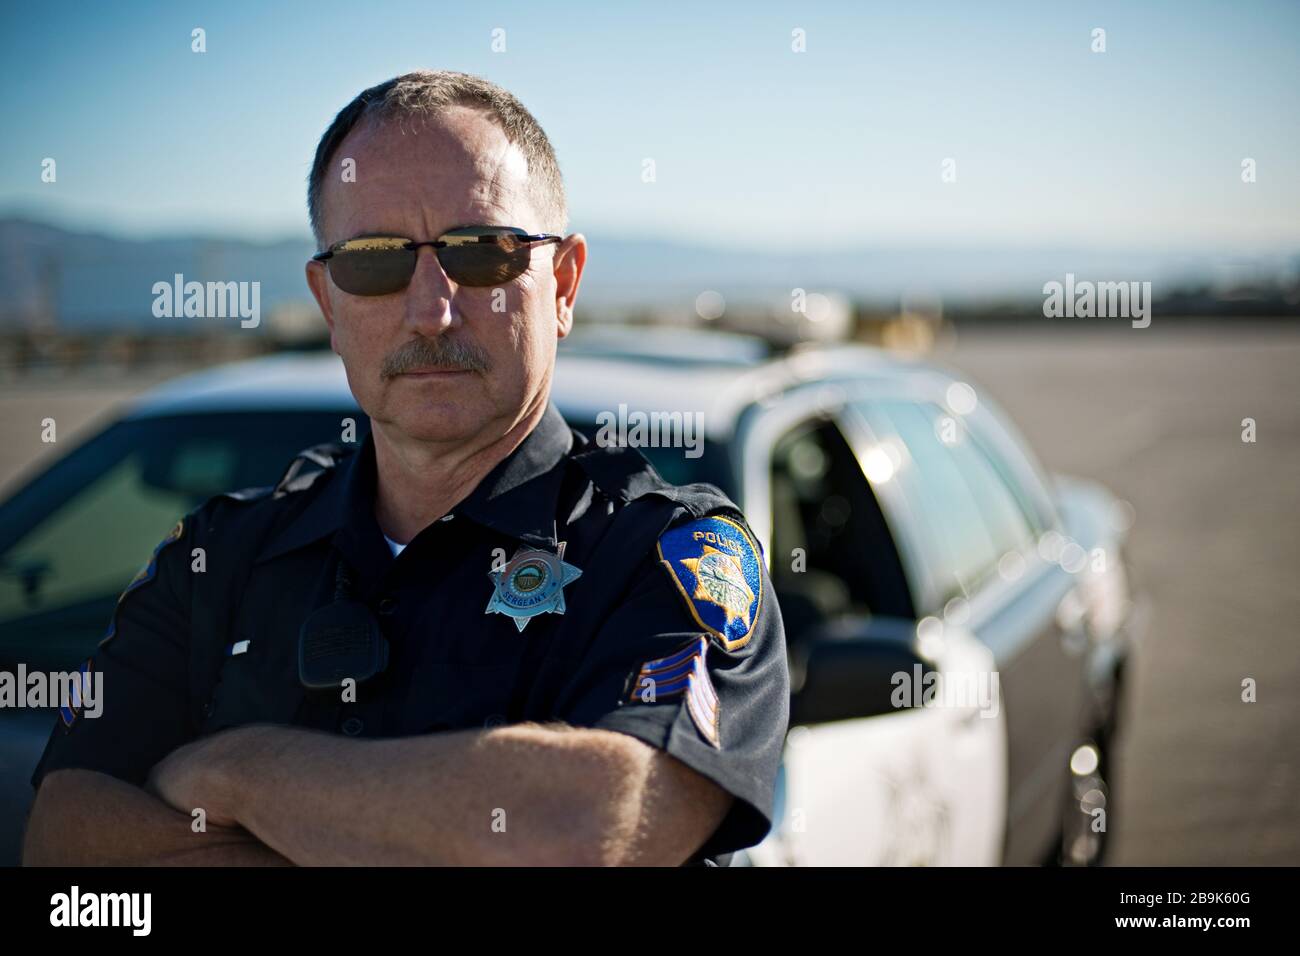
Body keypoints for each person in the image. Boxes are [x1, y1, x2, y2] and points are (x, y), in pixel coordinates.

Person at [22, 70, 789, 867]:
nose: (430, 308)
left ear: (561, 284)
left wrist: (242, 769)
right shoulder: (217, 558)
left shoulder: (661, 553)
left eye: (482, 252)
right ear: (328, 301)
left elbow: (594, 827)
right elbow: (64, 835)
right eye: (375, 260)